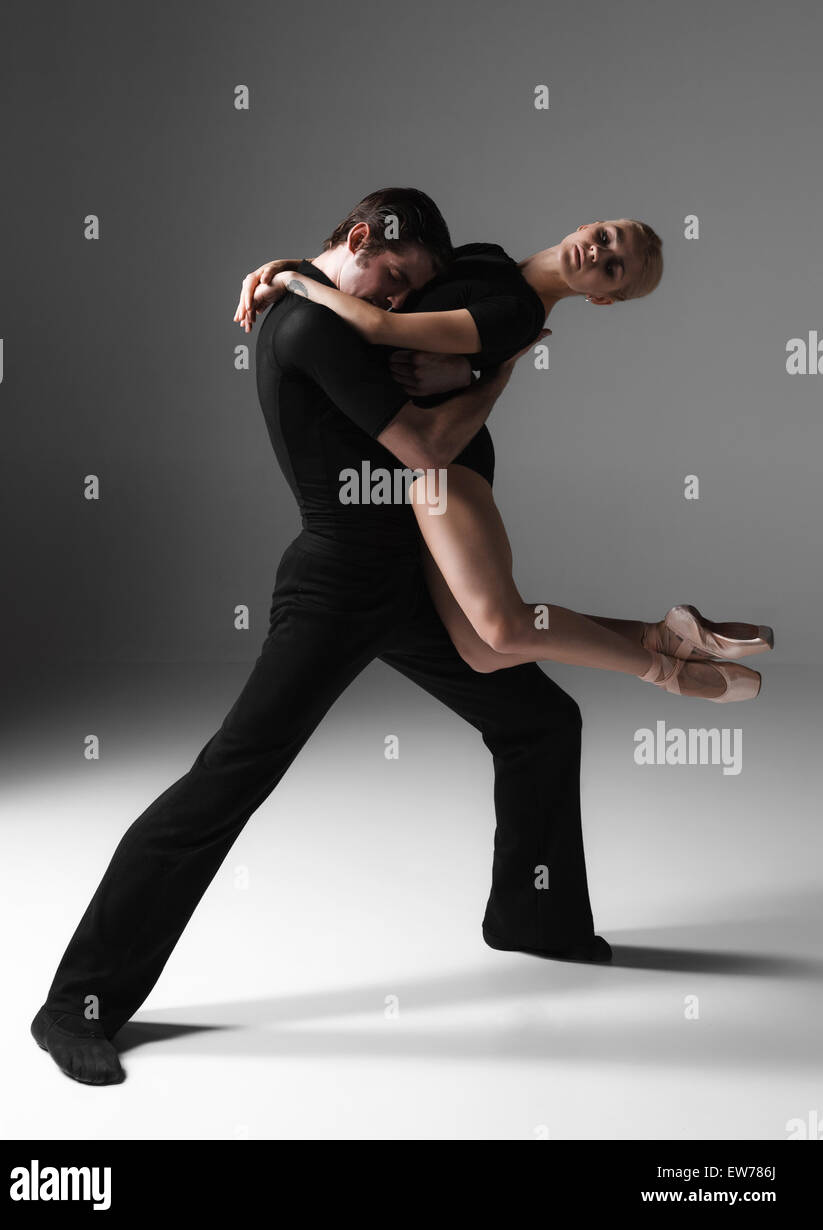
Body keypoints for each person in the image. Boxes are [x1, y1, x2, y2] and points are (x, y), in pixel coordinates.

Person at [31, 188, 612, 1089]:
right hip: (338, 587)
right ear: (356, 239)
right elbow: (425, 451)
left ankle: (533, 919)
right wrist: (505, 369)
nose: (395, 303)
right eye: (392, 279)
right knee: (227, 782)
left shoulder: (320, 299)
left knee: (540, 721)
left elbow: (440, 308)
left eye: (408, 289)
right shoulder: (310, 329)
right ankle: (77, 1005)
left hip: (404, 585)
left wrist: (303, 271)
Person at [236, 221, 773, 702]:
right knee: (483, 652)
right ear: (589, 225)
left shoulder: (519, 313)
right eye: (606, 238)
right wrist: (300, 268)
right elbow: (394, 288)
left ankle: (664, 672)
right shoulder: (487, 256)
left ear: (603, 298)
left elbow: (380, 329)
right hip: (421, 463)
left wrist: (290, 280)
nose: (597, 253)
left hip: (444, 465)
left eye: (612, 269)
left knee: (504, 629)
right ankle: (661, 634)